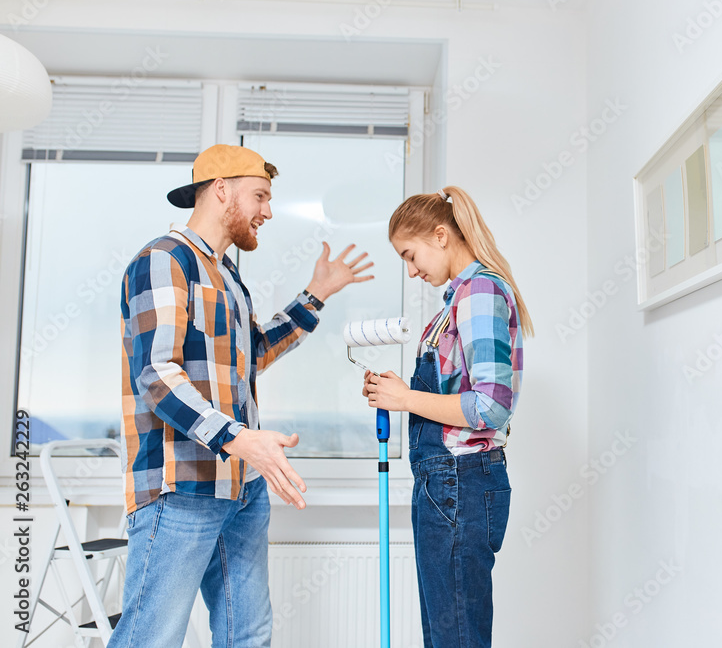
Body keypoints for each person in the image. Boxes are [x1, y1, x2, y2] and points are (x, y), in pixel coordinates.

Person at [112, 144, 373, 647]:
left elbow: (249, 353)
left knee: (248, 633)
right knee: (151, 637)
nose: (268, 212)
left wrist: (315, 295)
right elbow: (155, 373)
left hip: (241, 486)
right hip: (181, 486)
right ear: (221, 189)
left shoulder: (227, 275)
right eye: (260, 196)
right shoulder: (164, 261)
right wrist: (237, 438)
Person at [363, 185, 533, 647]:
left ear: (440, 235)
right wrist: (393, 392)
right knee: (446, 635)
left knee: (454, 637)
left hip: (461, 481)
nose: (412, 271)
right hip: (446, 482)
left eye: (410, 255)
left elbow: (490, 404)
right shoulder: (453, 303)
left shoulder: (479, 291)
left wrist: (406, 399)